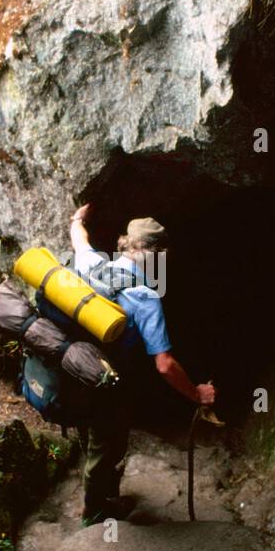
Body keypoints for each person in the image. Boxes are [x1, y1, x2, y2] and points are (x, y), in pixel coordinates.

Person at [68, 204, 216, 527]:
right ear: (157, 255)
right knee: (108, 443)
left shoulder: (94, 264)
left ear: (126, 244)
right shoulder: (145, 296)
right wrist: (197, 394)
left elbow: (79, 240)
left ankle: (104, 498)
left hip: (74, 368)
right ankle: (95, 514)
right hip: (106, 380)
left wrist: (78, 219)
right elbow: (164, 365)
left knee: (93, 434)